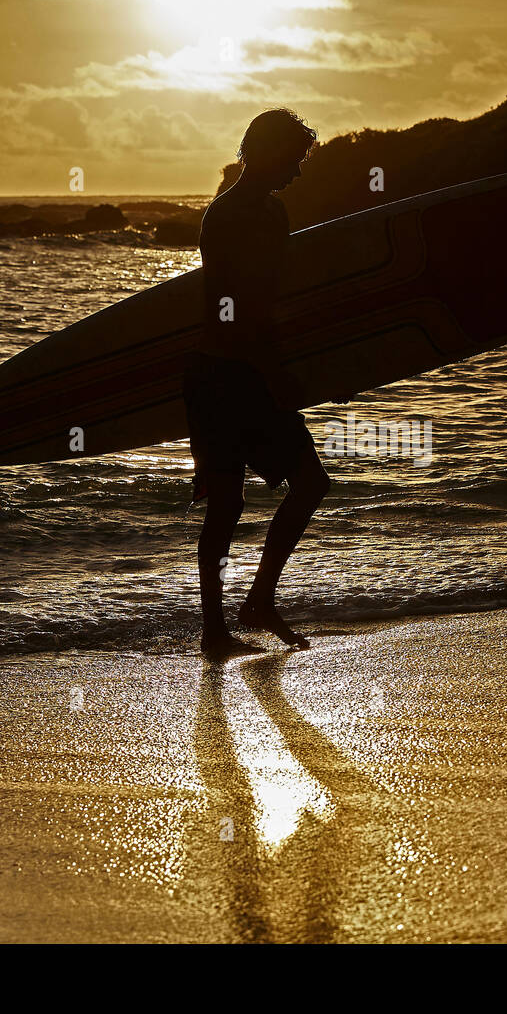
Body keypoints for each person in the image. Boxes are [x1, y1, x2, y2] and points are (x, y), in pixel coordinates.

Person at [184, 108, 331, 657]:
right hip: (222, 375)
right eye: (292, 160)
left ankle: (259, 602)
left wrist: (316, 368)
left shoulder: (273, 211)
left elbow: (276, 301)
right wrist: (275, 375)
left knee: (310, 483)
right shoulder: (226, 217)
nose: (296, 172)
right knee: (227, 503)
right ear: (265, 152)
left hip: (256, 368)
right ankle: (214, 630)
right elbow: (231, 309)